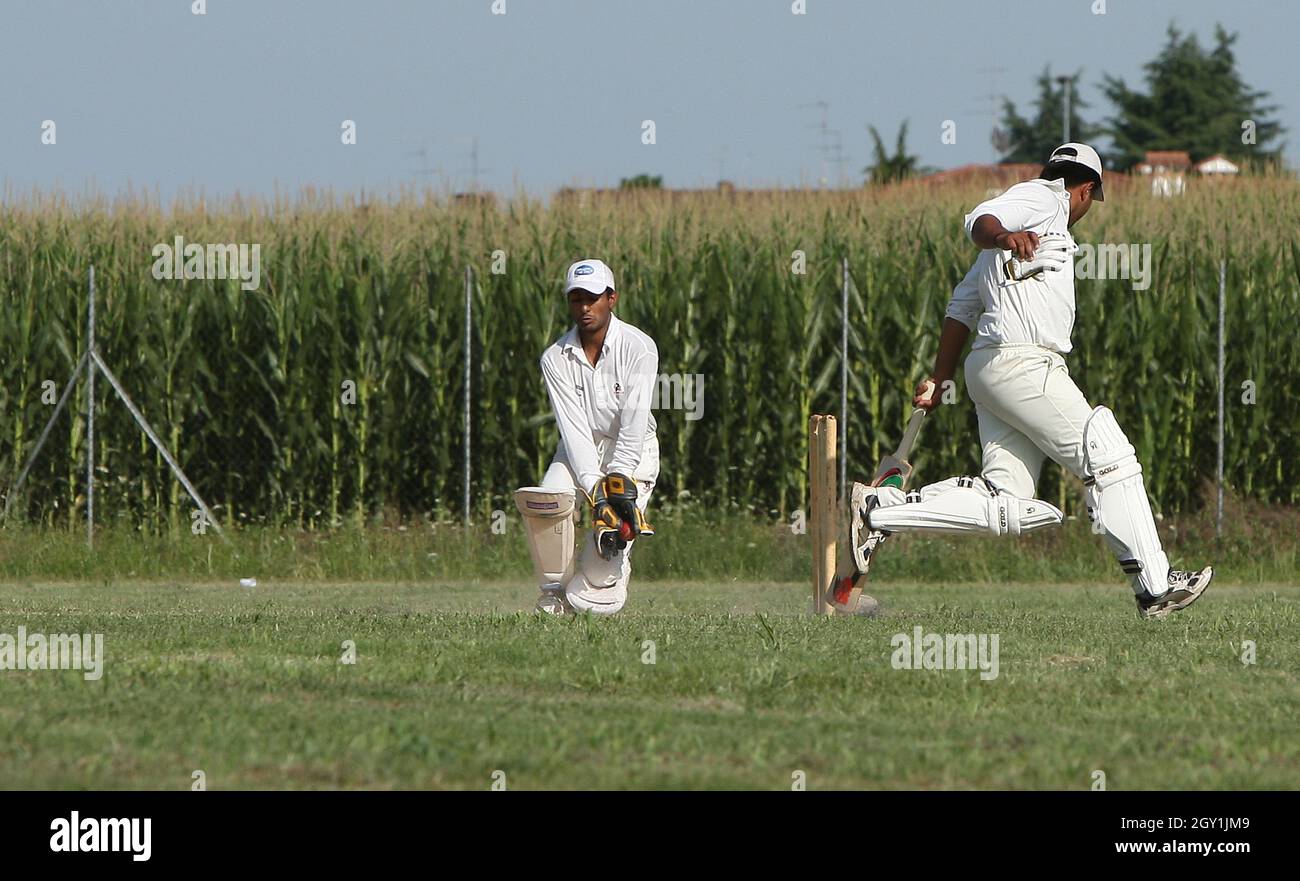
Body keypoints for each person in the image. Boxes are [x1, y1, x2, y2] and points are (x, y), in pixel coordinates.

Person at [848, 143, 1212, 619]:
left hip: (990, 369)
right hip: (1025, 367)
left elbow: (961, 307)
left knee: (1007, 501)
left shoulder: (1029, 229)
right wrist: (1002, 236)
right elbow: (979, 219)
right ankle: (1155, 586)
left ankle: (880, 510)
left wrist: (940, 379)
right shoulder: (1047, 199)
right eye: (1089, 200)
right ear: (1086, 189)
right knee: (1111, 457)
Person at [514, 259, 660, 615]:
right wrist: (596, 489)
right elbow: (573, 429)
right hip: (579, 451)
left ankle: (612, 566)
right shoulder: (555, 358)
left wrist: (617, 482)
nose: (584, 307)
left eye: (592, 298)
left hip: (634, 451)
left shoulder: (639, 347)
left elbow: (634, 421)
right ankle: (552, 592)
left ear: (612, 298)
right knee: (548, 502)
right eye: (576, 299)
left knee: (598, 573)